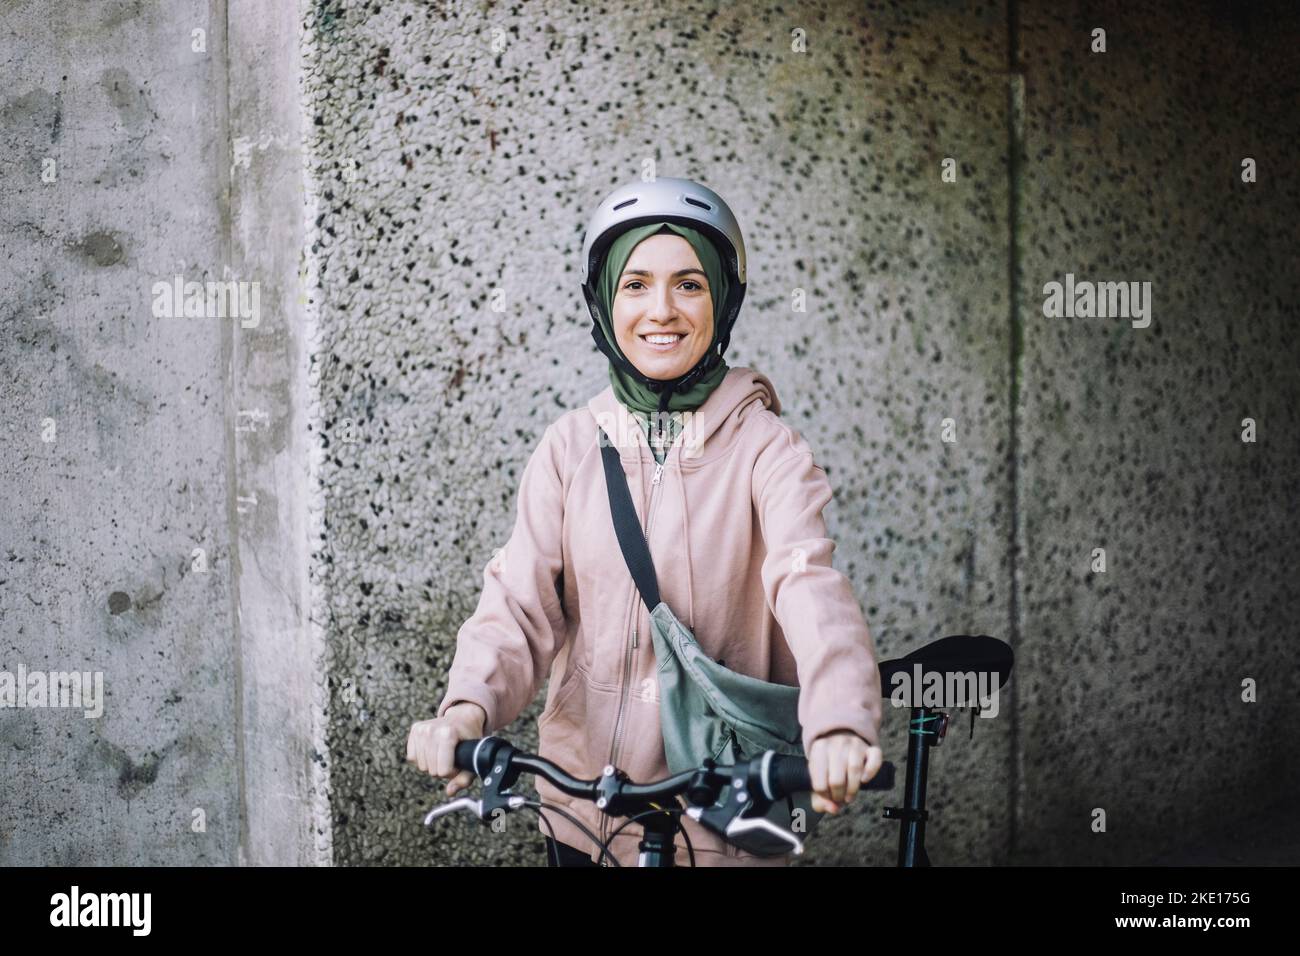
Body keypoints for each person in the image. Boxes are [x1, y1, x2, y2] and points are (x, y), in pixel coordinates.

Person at [407, 177, 885, 866]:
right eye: (635, 284)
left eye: (689, 284)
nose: (661, 310)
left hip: (721, 815)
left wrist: (838, 724)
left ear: (724, 300)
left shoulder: (765, 449)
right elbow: (517, 606)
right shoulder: (570, 448)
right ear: (604, 301)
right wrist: (464, 711)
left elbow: (806, 582)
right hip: (582, 812)